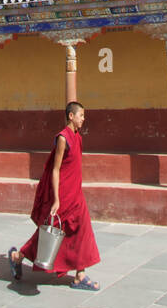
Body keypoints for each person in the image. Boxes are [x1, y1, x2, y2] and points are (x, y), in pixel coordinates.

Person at [8, 101, 101, 290]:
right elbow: (56, 169)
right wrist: (57, 199)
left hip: (76, 194)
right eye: (81, 115)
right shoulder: (63, 138)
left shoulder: (78, 137)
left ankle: (80, 275)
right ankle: (18, 257)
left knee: (82, 230)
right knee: (49, 233)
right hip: (64, 195)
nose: (83, 119)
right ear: (71, 116)